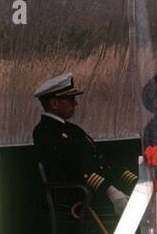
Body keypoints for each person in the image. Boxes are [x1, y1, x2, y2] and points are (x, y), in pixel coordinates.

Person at [31, 72, 136, 210]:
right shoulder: (45, 132)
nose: (75, 103)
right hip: (82, 199)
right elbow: (72, 170)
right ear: (54, 103)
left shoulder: (72, 129)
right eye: (70, 99)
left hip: (98, 191)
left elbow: (101, 160)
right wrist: (110, 190)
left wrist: (133, 180)